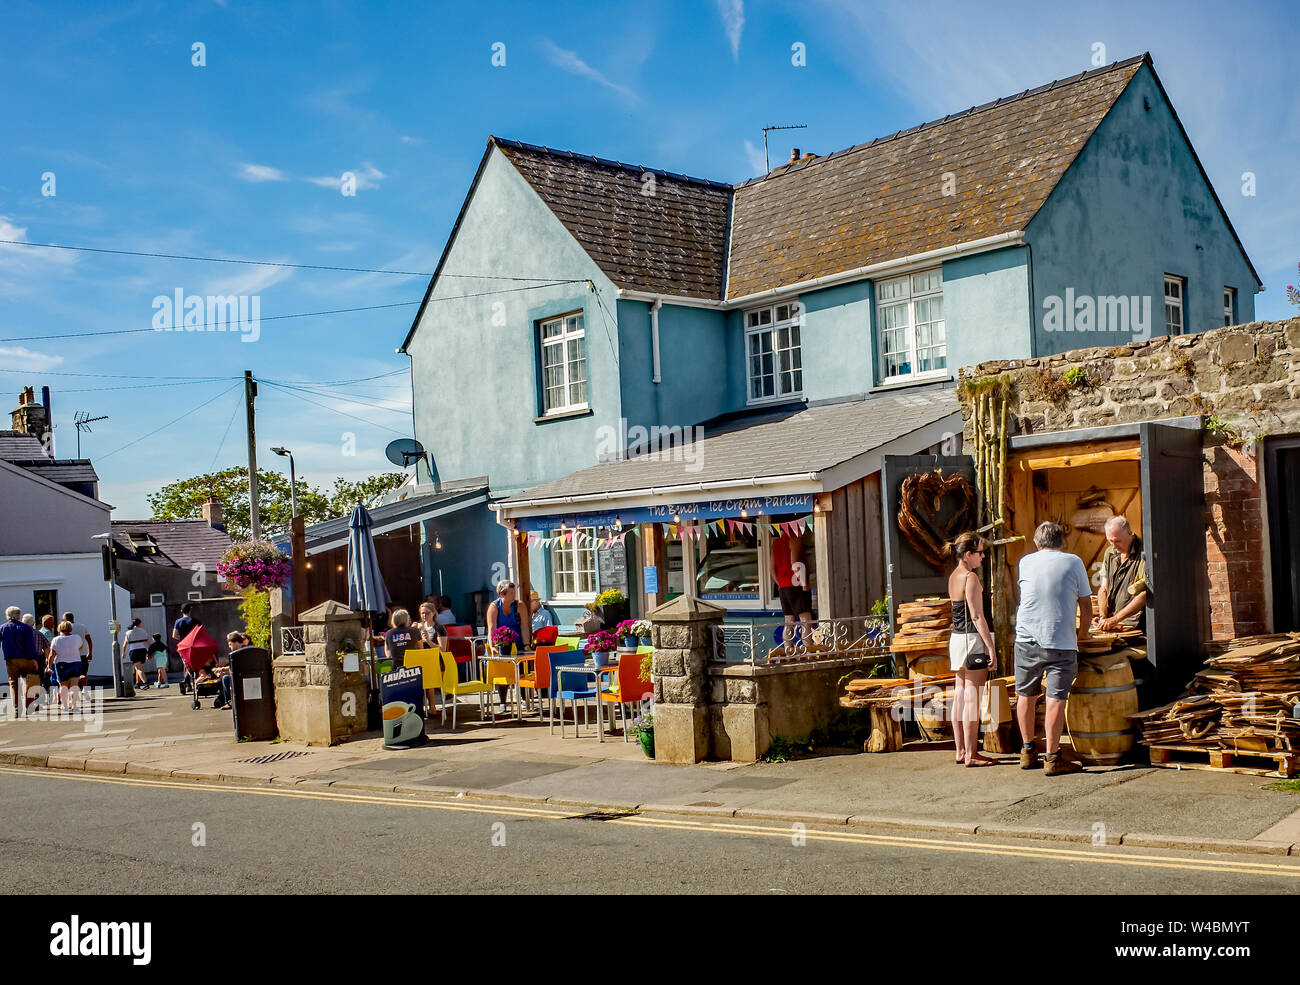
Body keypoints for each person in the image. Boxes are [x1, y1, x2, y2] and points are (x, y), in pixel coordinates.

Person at [1014, 521, 1093, 776]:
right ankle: (1052, 757)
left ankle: (1027, 751)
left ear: (1038, 544)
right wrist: (1081, 636)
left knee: (1025, 695)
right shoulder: (1074, 561)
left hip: (1026, 638)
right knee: (1055, 698)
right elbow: (1087, 607)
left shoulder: (1025, 562)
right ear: (1062, 542)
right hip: (1060, 640)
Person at [945, 532, 998, 767]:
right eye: (979, 552)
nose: (983, 556)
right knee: (972, 698)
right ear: (968, 554)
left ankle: (960, 750)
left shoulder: (953, 576)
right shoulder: (971, 578)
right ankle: (972, 754)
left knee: (959, 696)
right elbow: (977, 616)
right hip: (973, 640)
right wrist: (991, 647)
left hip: (956, 640)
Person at [1096, 516, 1147, 634]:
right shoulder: (1109, 553)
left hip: (1136, 627)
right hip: (1114, 625)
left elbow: (1145, 594)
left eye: (1117, 541)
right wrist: (1103, 618)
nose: (1114, 545)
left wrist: (1115, 619)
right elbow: (1103, 588)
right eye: (1110, 541)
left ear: (1130, 533)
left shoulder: (1144, 553)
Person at [486, 580, 527, 713]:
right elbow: (492, 628)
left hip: (518, 640)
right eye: (510, 592)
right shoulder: (494, 607)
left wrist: (526, 645)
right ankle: (503, 702)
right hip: (501, 642)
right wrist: (492, 646)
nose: (514, 595)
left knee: (521, 669)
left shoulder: (519, 605)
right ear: (502, 594)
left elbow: (524, 627)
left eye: (514, 591)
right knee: (503, 671)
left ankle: (524, 699)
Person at [771, 532, 814, 647]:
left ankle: (788, 651)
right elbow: (794, 563)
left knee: (789, 621)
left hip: (783, 587)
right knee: (806, 621)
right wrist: (804, 583)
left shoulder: (776, 543)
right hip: (796, 585)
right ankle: (808, 651)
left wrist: (780, 583)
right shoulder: (794, 538)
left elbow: (772, 569)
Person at [2, 606, 41, 718]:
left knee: (13, 683)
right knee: (29, 680)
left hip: (10, 659)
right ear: (19, 615)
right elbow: (30, 645)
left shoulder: (3, 628)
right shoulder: (26, 628)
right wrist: (34, 659)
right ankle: (29, 705)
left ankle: (16, 709)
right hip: (26, 658)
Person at [48, 621, 85, 712]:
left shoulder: (56, 639)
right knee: (74, 685)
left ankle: (64, 706)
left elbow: (52, 654)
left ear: (59, 628)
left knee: (63, 686)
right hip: (75, 662)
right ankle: (74, 706)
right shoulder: (77, 637)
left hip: (61, 664)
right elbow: (81, 647)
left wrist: (49, 665)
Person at [63, 611, 91, 687]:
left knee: (72, 675)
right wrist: (90, 652)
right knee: (83, 673)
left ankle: (74, 691)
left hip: (70, 656)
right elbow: (89, 640)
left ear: (65, 619)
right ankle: (85, 690)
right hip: (82, 654)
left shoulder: (64, 629)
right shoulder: (82, 626)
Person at [124, 618, 151, 689]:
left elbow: (125, 644)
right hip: (142, 651)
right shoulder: (143, 631)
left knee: (138, 668)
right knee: (138, 667)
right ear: (139, 624)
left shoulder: (128, 632)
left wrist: (123, 653)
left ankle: (145, 683)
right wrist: (149, 652)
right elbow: (148, 642)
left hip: (134, 651)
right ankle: (137, 683)